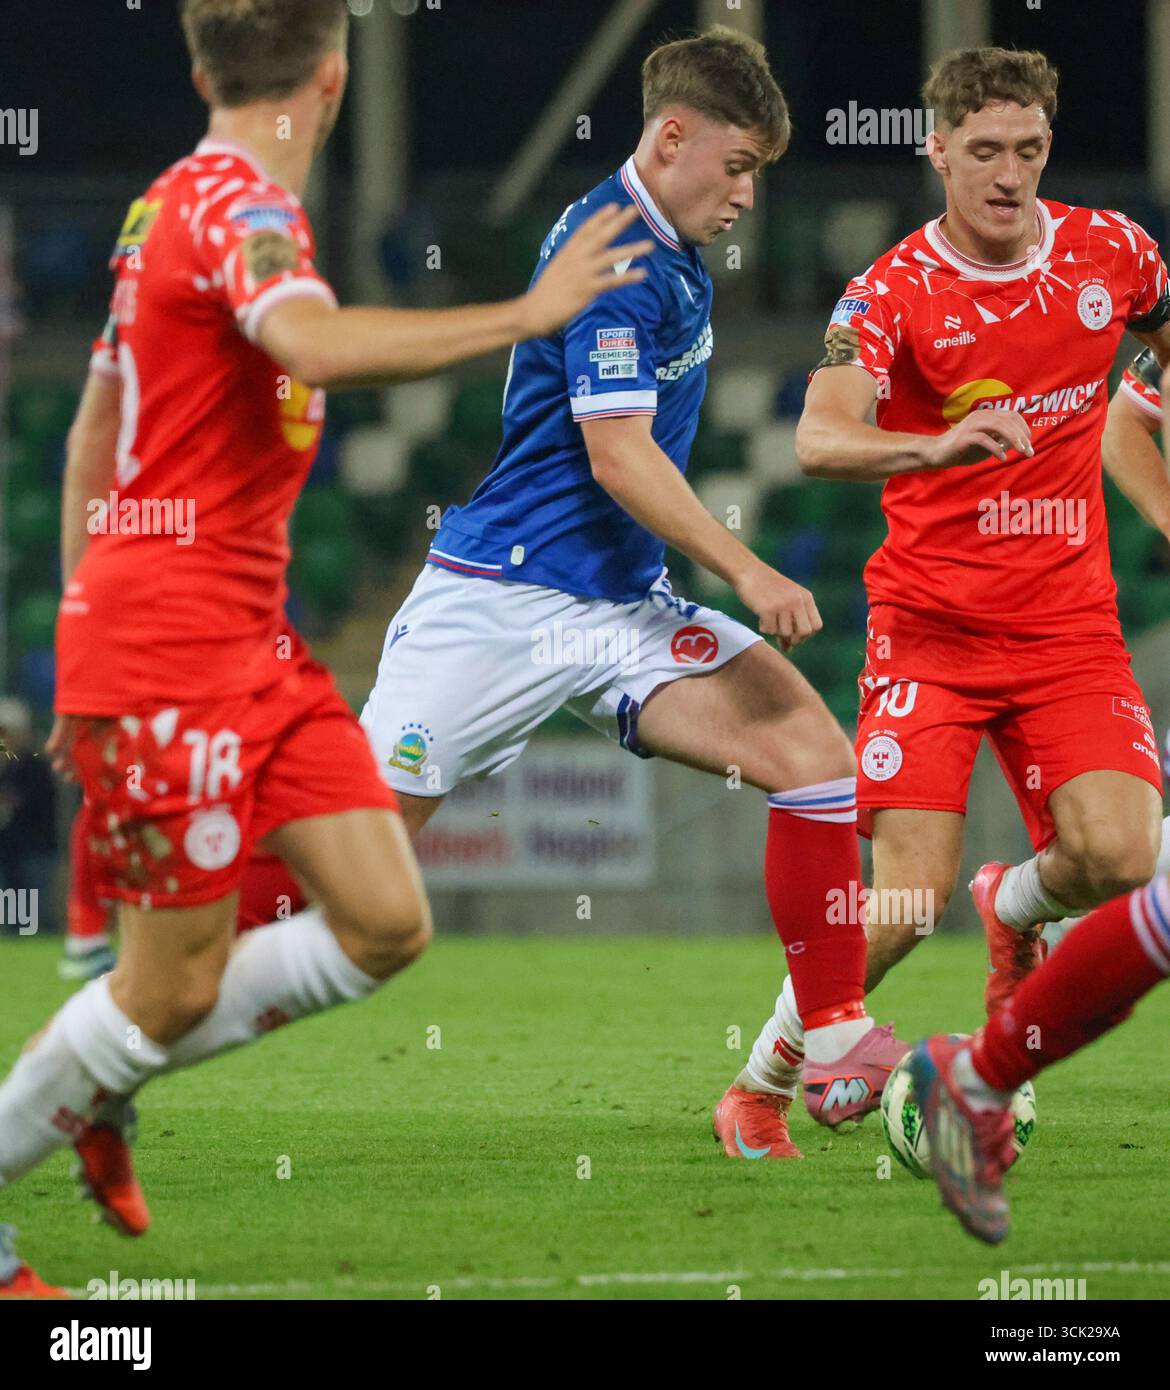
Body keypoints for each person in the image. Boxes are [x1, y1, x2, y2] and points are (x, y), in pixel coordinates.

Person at [0, 0, 651, 1298]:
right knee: (168, 989)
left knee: (381, 919)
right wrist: (524, 312)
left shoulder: (160, 210)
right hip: (169, 651)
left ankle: (95, 1081)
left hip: (246, 642)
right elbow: (305, 341)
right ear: (339, 80)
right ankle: (55, 1126)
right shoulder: (239, 207)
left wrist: (81, 620)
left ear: (200, 70)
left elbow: (91, 437)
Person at [358, 26, 905, 1168]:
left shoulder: (677, 253)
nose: (751, 194)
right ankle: (122, 1017)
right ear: (671, 136)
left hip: (617, 614)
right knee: (339, 898)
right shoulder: (612, 250)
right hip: (497, 607)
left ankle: (827, 1039)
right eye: (740, 164)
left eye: (760, 171)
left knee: (812, 752)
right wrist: (748, 570)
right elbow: (617, 454)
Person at [742, 48, 1170, 1113]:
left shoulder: (1113, 252)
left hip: (1070, 628)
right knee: (902, 903)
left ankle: (1015, 900)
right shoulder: (889, 292)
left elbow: (1156, 350)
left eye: (1028, 149)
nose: (1008, 174)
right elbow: (820, 437)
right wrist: (932, 448)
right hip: (931, 631)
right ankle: (761, 1082)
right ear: (936, 151)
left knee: (1123, 855)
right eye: (984, 150)